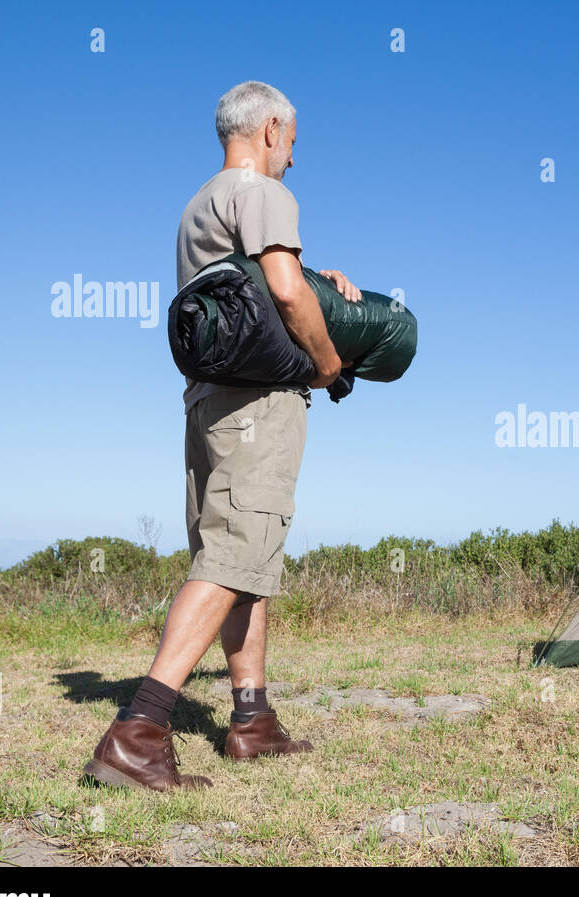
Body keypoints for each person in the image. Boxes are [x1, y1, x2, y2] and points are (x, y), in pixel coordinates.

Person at [83, 80, 361, 790]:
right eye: (292, 143)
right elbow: (285, 292)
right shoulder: (264, 192)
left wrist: (310, 278)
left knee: (245, 561)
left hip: (206, 402)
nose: (292, 159)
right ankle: (139, 732)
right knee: (235, 557)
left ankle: (252, 720)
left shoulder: (197, 206)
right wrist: (331, 366)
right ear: (270, 129)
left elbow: (251, 296)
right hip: (257, 406)